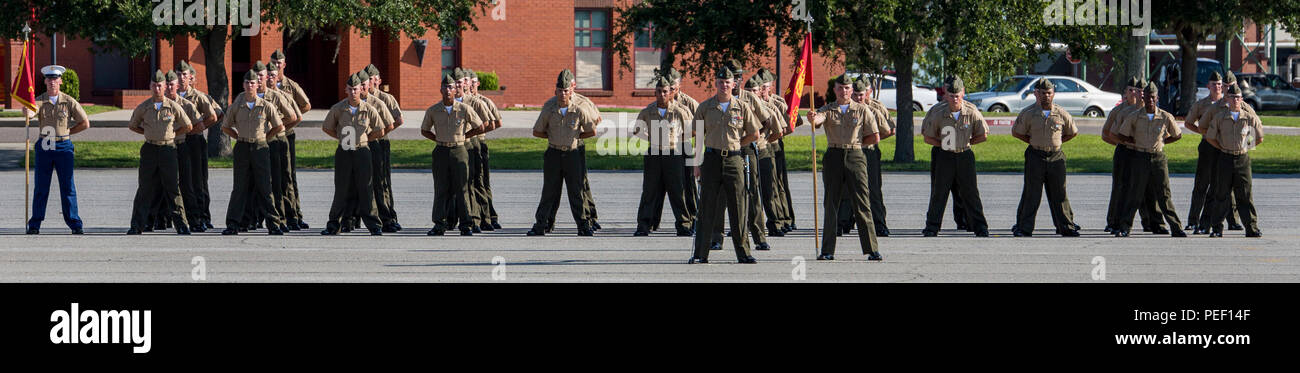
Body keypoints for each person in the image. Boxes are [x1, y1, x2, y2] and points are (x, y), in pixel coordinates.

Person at [688, 67, 766, 264]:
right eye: (721, 82)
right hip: (711, 160)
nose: (724, 85)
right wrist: (696, 165)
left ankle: (744, 253)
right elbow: (697, 137)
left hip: (734, 160)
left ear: (734, 85)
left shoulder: (742, 107)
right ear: (716, 83)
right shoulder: (705, 107)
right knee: (707, 208)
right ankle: (701, 253)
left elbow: (755, 134)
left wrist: (739, 144)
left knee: (739, 208)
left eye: (728, 82)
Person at [807, 74, 882, 261]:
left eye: (847, 88)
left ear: (852, 90)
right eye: (840, 88)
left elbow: (875, 136)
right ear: (835, 89)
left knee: (862, 203)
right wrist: (812, 118)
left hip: (855, 155)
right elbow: (818, 120)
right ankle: (827, 250)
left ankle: (872, 249)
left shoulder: (862, 110)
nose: (844, 91)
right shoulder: (828, 109)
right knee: (831, 203)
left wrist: (856, 144)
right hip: (833, 156)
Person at [527, 70, 599, 237]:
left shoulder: (579, 109)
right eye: (560, 90)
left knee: (576, 191)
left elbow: (592, 131)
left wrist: (575, 136)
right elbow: (537, 131)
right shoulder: (549, 108)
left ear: (571, 91)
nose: (563, 94)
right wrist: (552, 136)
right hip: (553, 154)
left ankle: (583, 225)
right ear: (555, 91)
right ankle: (540, 225)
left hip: (572, 154)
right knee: (549, 191)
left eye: (566, 90)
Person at [1112, 83, 1186, 237]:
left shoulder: (1165, 116)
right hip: (1140, 157)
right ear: (1143, 98)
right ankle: (1125, 227)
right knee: (1135, 193)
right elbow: (1121, 135)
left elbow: (1177, 134)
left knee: (1164, 194)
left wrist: (1164, 142)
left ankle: (1176, 227)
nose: (1150, 100)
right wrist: (1133, 142)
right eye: (1147, 97)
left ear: (1157, 98)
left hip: (1158, 158)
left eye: (1153, 97)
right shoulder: (1135, 116)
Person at [921, 76, 990, 237]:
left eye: (957, 95)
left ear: (963, 93)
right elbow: (927, 137)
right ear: (946, 95)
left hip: (964, 155)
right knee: (939, 193)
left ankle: (980, 226)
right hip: (945, 156)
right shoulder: (938, 112)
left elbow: (983, 134)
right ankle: (932, 227)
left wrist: (968, 142)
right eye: (951, 96)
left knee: (971, 193)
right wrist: (944, 144)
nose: (955, 99)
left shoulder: (971, 111)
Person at [1010, 79, 1080, 237]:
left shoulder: (1061, 113)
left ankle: (1066, 226)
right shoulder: (1029, 113)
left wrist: (1059, 142)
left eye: (1049, 93)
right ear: (1037, 94)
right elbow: (1016, 132)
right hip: (1036, 155)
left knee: (1060, 193)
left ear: (1053, 94)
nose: (1046, 96)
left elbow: (1072, 132)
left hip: (1056, 156)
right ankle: (1024, 227)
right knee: (1031, 194)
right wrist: (1033, 141)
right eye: (1042, 93)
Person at [126, 70, 193, 235]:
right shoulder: (144, 107)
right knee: (145, 188)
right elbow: (133, 125)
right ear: (150, 86)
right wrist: (148, 133)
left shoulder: (173, 106)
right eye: (154, 85)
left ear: (164, 87)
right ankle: (137, 225)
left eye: (160, 86)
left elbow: (188, 125)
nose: (157, 89)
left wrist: (172, 134)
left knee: (172, 188)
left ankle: (182, 225)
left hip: (168, 150)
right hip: (150, 149)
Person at [220, 70, 286, 235]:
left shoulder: (265, 105)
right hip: (242, 148)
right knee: (239, 188)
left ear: (258, 85)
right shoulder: (237, 105)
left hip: (260, 148)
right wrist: (237, 136)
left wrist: (266, 137)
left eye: (253, 83)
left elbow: (279, 126)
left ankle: (273, 224)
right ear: (243, 85)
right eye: (247, 83)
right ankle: (233, 224)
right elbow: (225, 126)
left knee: (265, 187)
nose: (250, 85)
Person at [25, 65, 89, 235]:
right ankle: (35, 223)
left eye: (55, 79)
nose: (52, 82)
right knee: (41, 186)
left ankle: (75, 223)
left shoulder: (68, 101)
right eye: (49, 79)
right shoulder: (39, 100)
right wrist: (27, 111)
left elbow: (85, 122)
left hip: (63, 145)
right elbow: (32, 112)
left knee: (67, 186)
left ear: (60, 81)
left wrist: (68, 132)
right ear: (45, 81)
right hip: (45, 145)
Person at [320, 73, 386, 236]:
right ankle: (334, 224)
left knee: (366, 188)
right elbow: (327, 127)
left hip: (362, 152)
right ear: (346, 90)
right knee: (341, 189)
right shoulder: (339, 108)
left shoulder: (368, 108)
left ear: (360, 89)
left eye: (355, 89)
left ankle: (373, 224)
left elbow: (380, 130)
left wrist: (364, 139)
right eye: (350, 89)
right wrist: (342, 138)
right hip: (344, 151)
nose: (353, 92)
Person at [422, 74, 485, 236]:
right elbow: (424, 130)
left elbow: (480, 126)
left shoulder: (464, 109)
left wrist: (465, 136)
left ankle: (466, 224)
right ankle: (439, 224)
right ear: (441, 90)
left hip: (459, 151)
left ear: (456, 90)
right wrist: (438, 139)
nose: (448, 90)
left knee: (462, 188)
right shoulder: (434, 110)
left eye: (451, 87)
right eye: (446, 87)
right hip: (441, 151)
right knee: (441, 188)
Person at [632, 76, 694, 236]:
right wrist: (651, 138)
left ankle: (684, 225)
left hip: (673, 154)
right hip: (654, 153)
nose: (662, 94)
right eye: (659, 91)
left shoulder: (680, 111)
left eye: (665, 91)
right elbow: (637, 130)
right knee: (649, 191)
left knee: (677, 190)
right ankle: (644, 225)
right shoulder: (648, 111)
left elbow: (693, 130)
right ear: (655, 92)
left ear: (671, 93)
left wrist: (678, 139)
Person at [1203, 84, 1263, 238]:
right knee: (1221, 194)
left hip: (1242, 158)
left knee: (1245, 195)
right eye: (1232, 97)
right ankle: (1217, 228)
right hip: (1225, 158)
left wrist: (1246, 147)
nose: (1235, 100)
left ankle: (1251, 228)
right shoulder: (1220, 117)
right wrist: (1222, 147)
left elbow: (1258, 137)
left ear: (1241, 99)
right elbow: (1210, 137)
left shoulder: (1249, 117)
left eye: (1238, 97)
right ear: (1227, 98)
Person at [270, 49, 312, 230]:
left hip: (286, 135)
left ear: (284, 65)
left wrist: (291, 120)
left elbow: (306, 105)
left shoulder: (290, 85)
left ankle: (294, 214)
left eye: (279, 63)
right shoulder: (263, 84)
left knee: (288, 176)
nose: (277, 65)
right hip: (269, 136)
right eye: (274, 62)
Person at [175, 61, 218, 232]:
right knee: (178, 180)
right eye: (178, 74)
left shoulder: (199, 96)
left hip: (194, 141)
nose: (181, 78)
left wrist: (197, 129)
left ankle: (203, 216)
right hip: (177, 141)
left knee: (198, 181)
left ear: (190, 77)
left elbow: (216, 115)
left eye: (184, 75)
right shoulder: (172, 96)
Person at [364, 64, 404, 232]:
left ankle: (388, 216)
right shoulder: (360, 98)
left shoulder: (386, 99)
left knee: (383, 181)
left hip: (381, 142)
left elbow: (398, 119)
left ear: (378, 81)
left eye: (372, 80)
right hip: (364, 143)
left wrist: (382, 132)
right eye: (367, 80)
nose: (370, 83)